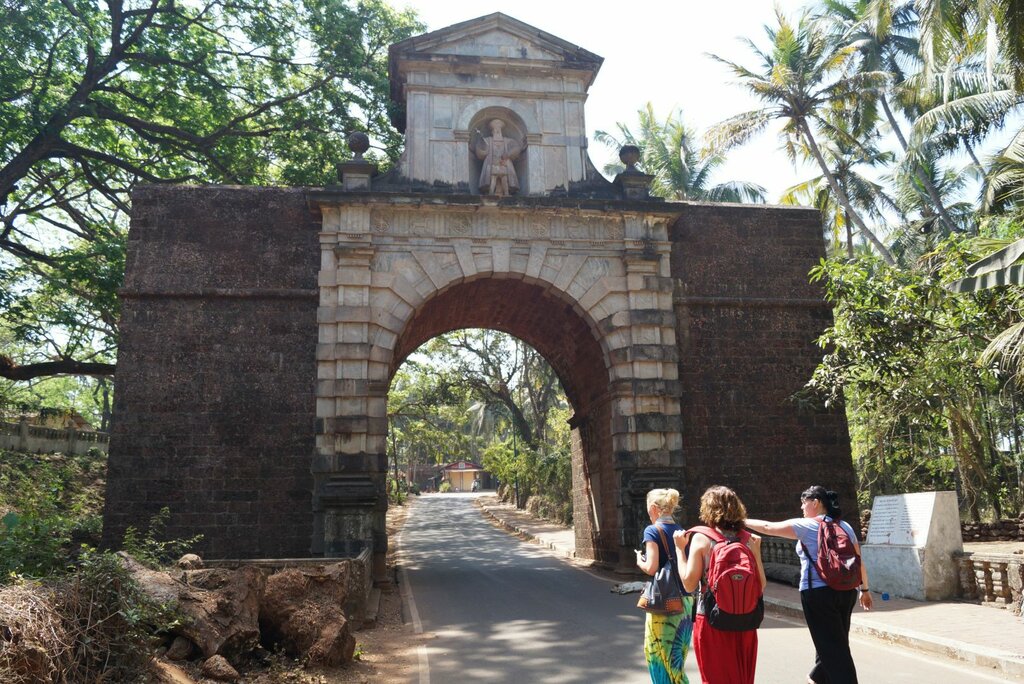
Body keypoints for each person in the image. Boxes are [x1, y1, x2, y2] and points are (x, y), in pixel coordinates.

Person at [745, 485, 872, 684]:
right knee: (834, 641)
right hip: (847, 591)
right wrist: (864, 590)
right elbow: (858, 560)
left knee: (834, 647)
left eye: (804, 503)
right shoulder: (844, 526)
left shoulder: (807, 526)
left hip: (817, 593)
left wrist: (739, 520)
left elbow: (768, 528)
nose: (802, 508)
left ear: (816, 503)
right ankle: (818, 678)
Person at [673, 486, 765, 684]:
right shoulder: (750, 541)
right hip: (746, 620)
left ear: (707, 509)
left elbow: (689, 584)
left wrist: (680, 550)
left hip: (711, 618)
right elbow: (761, 585)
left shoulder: (702, 538)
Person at [635, 488, 694, 684]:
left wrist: (639, 560)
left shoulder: (651, 531)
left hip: (665, 603)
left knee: (658, 656)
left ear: (653, 508)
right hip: (685, 601)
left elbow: (651, 568)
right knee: (676, 660)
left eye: (648, 509)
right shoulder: (680, 530)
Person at [473, 119, 526, 196]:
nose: (497, 131)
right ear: (492, 131)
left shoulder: (508, 141)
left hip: (504, 164)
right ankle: (491, 193)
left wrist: (508, 154)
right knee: (493, 179)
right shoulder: (487, 140)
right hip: (492, 164)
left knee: (504, 178)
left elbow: (516, 148)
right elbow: (480, 152)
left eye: (499, 129)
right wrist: (482, 145)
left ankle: (506, 192)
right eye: (495, 129)